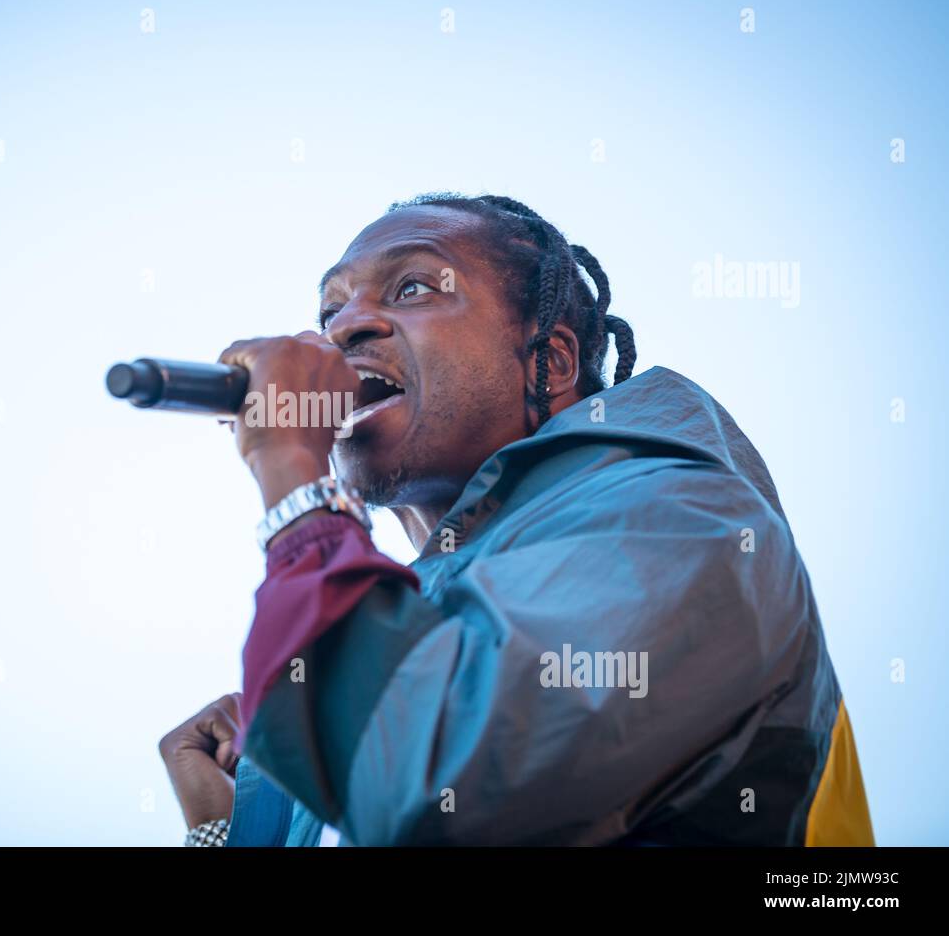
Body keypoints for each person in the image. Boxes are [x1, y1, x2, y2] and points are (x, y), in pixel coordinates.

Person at [158, 193, 874, 846]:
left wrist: (291, 470)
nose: (344, 327)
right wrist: (235, 828)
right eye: (328, 312)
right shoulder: (409, 633)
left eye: (412, 287)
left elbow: (439, 793)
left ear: (552, 361)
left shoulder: (680, 517)